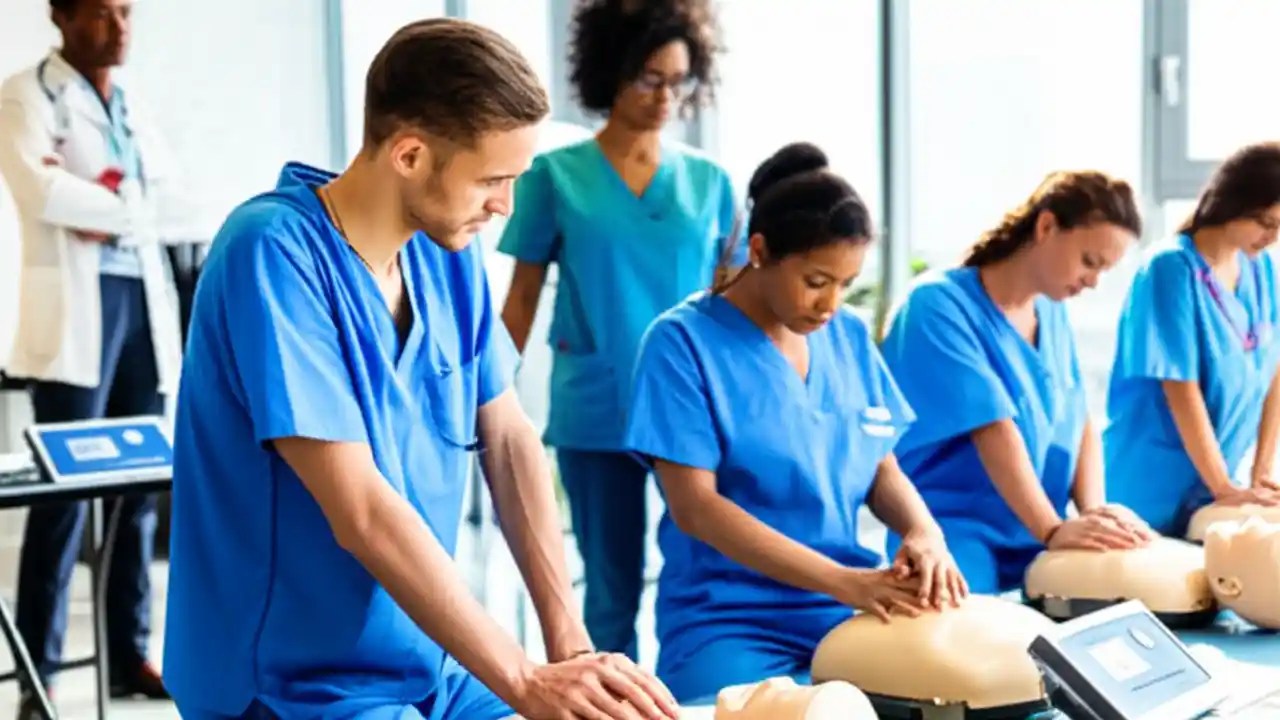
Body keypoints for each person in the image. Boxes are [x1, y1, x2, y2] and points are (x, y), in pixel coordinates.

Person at [163, 19, 677, 720]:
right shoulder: (272, 254)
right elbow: (361, 511)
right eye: (492, 180)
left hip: (429, 667)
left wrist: (569, 650)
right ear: (409, 154)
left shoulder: (446, 254)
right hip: (295, 687)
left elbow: (509, 439)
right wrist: (524, 682)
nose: (506, 206)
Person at [624, 143, 968, 705]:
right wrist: (844, 581)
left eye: (845, 284)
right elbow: (696, 508)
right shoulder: (680, 343)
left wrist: (924, 532)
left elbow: (879, 466)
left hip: (847, 612)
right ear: (760, 251)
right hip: (729, 618)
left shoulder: (847, 335)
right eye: (815, 280)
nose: (830, 303)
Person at [498, 0, 739, 660]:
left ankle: (693, 690)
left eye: (678, 82)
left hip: (691, 412)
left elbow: (734, 307)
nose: (666, 98)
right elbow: (521, 300)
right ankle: (607, 699)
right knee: (609, 592)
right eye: (649, 79)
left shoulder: (711, 182)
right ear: (610, 73)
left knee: (701, 575)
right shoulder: (554, 177)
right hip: (596, 406)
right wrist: (486, 396)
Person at [0, 0, 202, 710]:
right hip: (77, 316)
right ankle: (40, 671)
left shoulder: (132, 105)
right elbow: (41, 191)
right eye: (100, 13)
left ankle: (127, 655)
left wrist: (106, 202)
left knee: (136, 491)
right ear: (60, 17)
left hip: (140, 304)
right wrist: (123, 202)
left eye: (126, 12)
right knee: (62, 502)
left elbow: (176, 198)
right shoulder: (27, 95)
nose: (119, 29)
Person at [878, 171, 1155, 596]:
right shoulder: (937, 305)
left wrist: (1095, 513)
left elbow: (1078, 419)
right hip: (955, 533)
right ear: (1046, 227)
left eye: (1104, 270)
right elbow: (993, 428)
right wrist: (1051, 529)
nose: (1093, 281)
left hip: (1037, 532)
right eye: (1089, 261)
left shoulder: (1052, 312)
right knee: (970, 624)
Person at [1105, 142, 1280, 537]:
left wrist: (1262, 473)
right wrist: (1224, 487)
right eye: (1264, 222)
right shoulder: (1170, 268)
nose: (1272, 237)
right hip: (1149, 486)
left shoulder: (1261, 271)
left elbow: (1274, 371)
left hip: (1212, 487)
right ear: (1232, 201)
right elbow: (1180, 389)